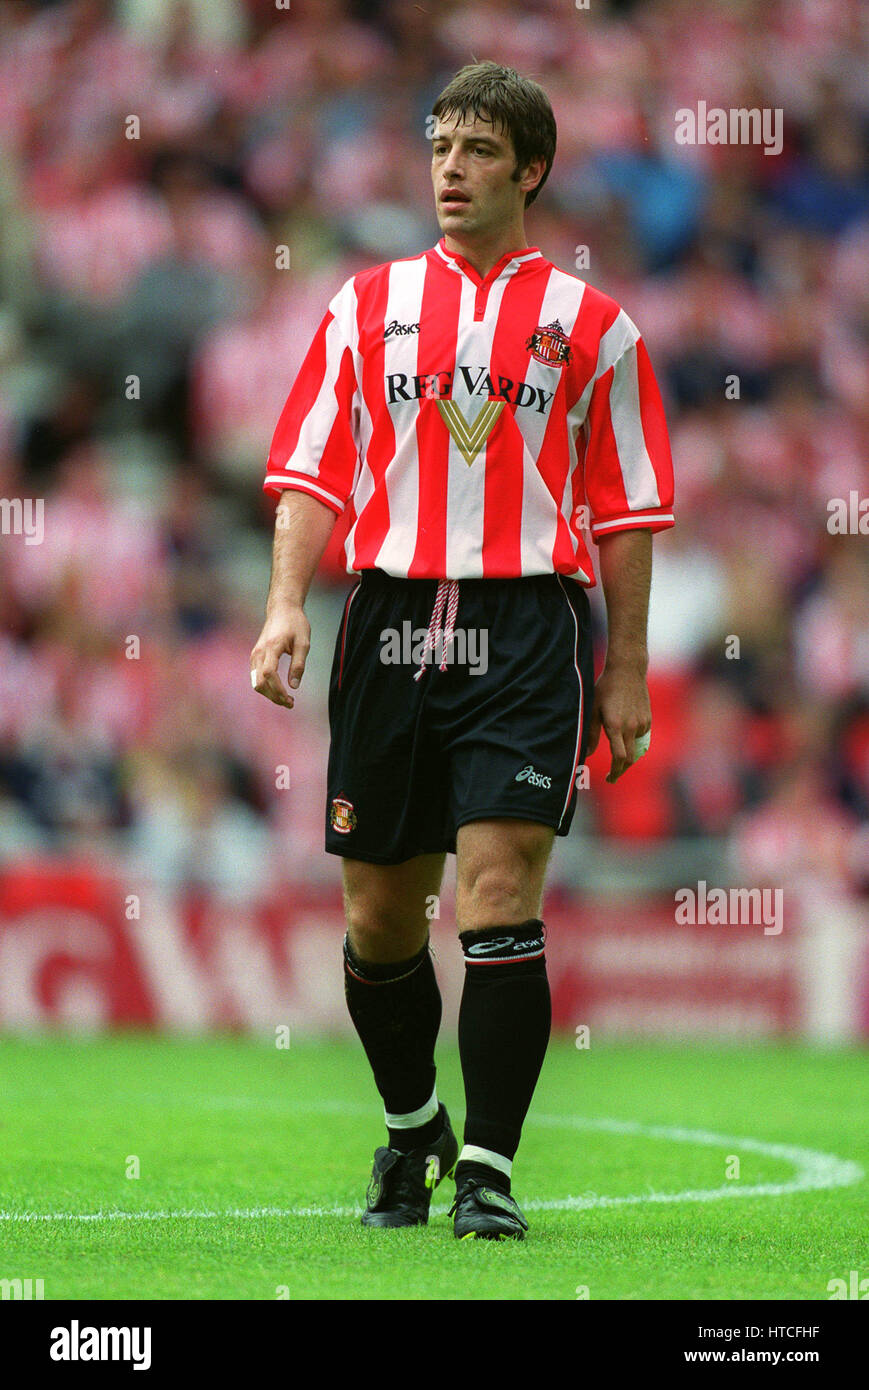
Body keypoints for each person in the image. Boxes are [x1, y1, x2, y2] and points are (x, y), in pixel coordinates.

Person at [251, 61, 674, 1240]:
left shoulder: (595, 325)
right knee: (380, 920)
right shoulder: (361, 305)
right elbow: (308, 476)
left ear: (529, 169)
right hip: (388, 621)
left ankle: (485, 1166)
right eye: (440, 145)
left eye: (479, 149)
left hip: (527, 627)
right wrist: (286, 604)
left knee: (496, 891)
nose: (450, 167)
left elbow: (630, 508)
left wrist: (625, 669)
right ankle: (411, 1131)